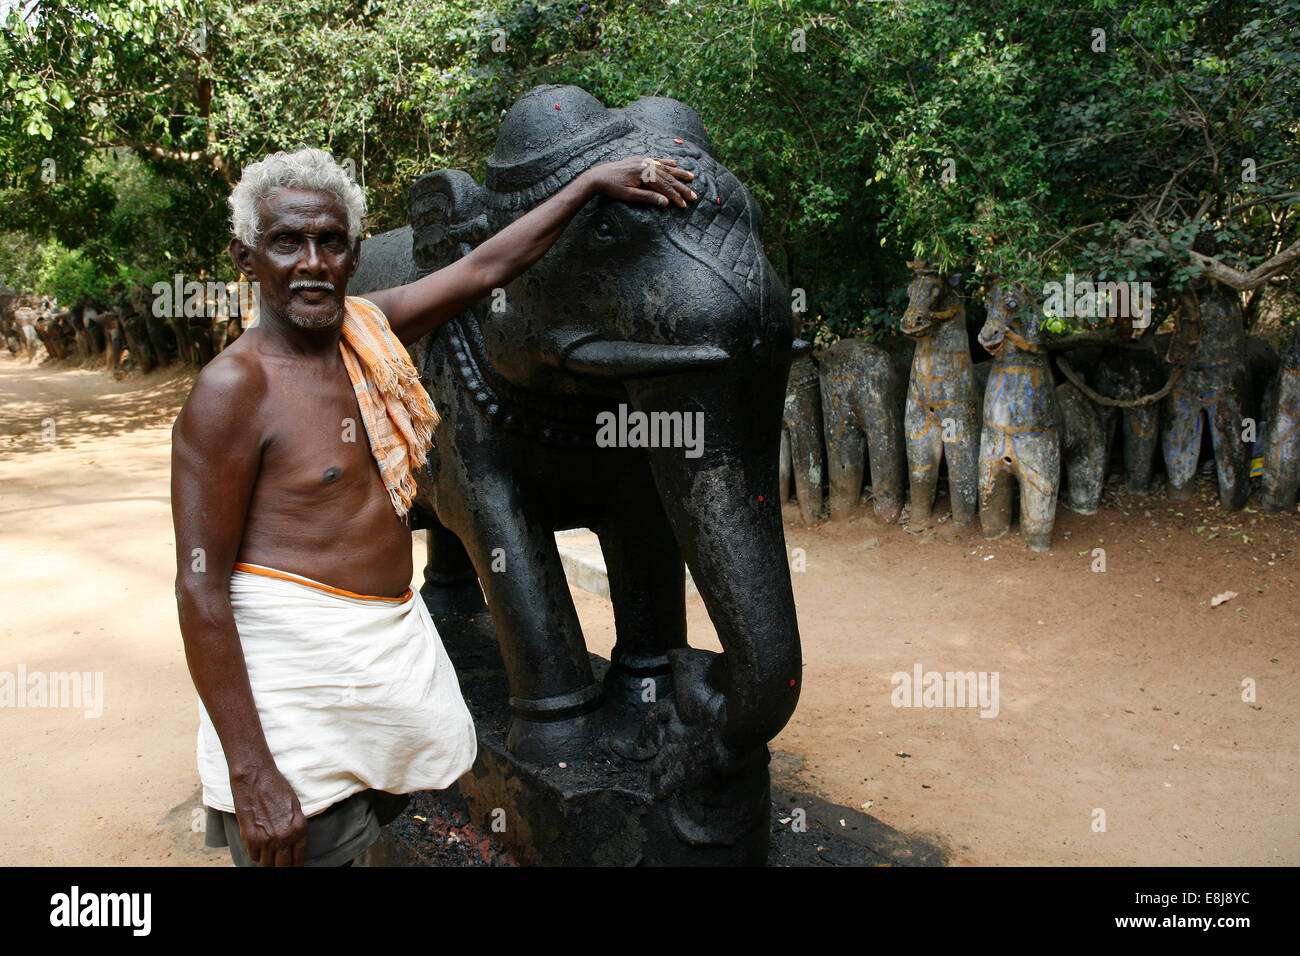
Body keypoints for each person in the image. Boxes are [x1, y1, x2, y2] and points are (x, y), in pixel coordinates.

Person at [171, 146, 696, 867]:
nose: (311, 262)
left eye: (329, 242)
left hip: (384, 656)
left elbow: (485, 268)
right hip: (292, 691)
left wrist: (588, 185)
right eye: (286, 242)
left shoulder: (368, 331)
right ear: (246, 257)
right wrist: (253, 772)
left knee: (370, 834)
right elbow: (201, 588)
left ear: (355, 255)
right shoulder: (233, 391)